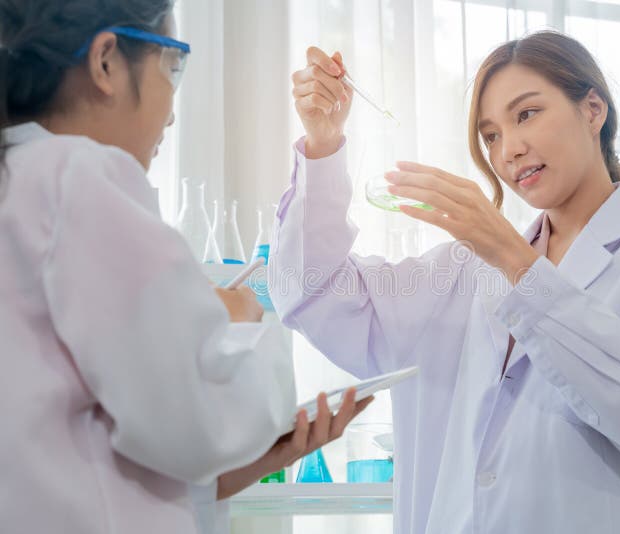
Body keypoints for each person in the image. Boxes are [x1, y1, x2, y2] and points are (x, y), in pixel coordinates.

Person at [270, 31, 620, 533]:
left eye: (526, 114)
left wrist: (513, 258)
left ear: (593, 110)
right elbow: (311, 291)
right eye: (491, 135)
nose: (509, 151)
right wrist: (323, 144)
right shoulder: (461, 273)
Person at [0, 1, 371, 533]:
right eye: (172, 67)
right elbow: (204, 423)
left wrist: (242, 464)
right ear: (106, 61)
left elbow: (66, 455)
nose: (172, 112)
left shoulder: (19, 177)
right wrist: (239, 320)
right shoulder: (76, 176)